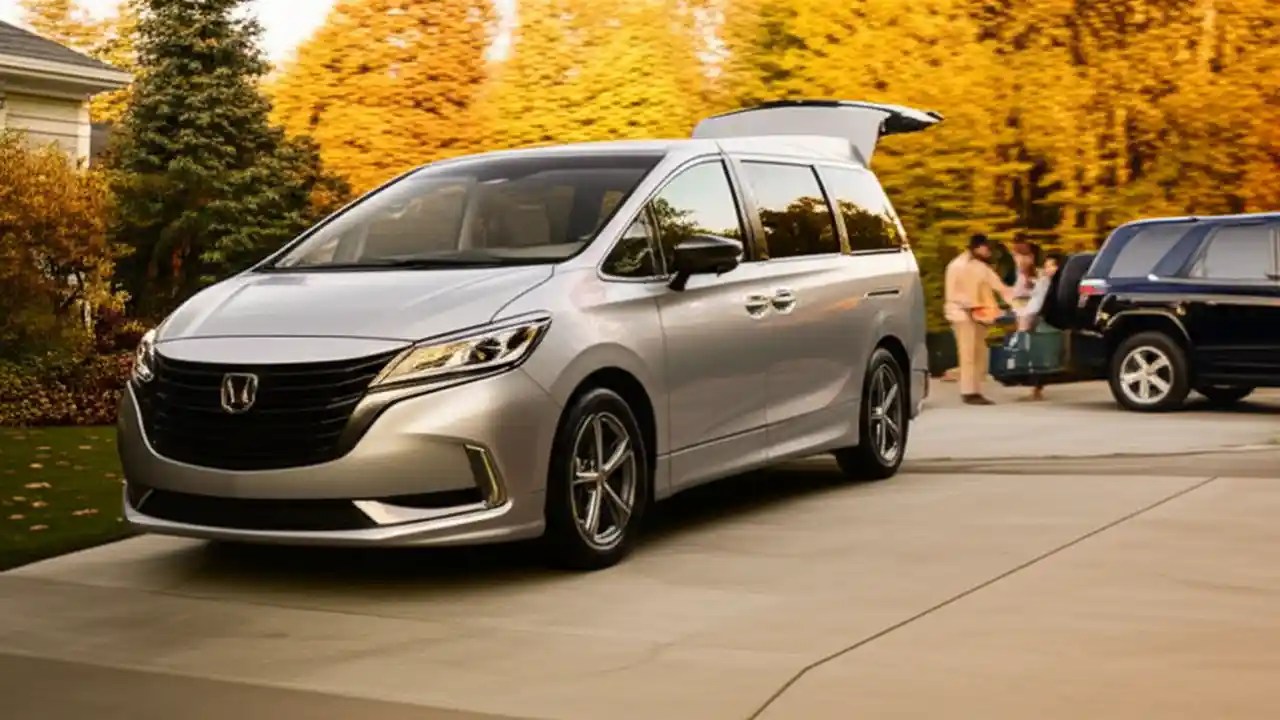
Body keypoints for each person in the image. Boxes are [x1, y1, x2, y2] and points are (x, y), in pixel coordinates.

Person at [944, 234, 1016, 405]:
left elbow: (1001, 288)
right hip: (962, 313)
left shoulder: (980, 266)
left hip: (979, 314)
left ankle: (975, 389)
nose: (989, 252)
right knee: (968, 353)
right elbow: (953, 293)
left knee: (978, 353)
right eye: (986, 248)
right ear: (978, 247)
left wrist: (1017, 305)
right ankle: (969, 391)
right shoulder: (957, 266)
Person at [1015, 251, 1064, 401]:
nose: (1048, 269)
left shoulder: (1062, 283)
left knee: (1046, 355)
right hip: (1042, 320)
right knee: (1040, 355)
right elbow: (1036, 301)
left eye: (1052, 266)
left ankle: (1038, 387)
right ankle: (1036, 388)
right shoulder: (1044, 282)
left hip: (1054, 322)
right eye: (1046, 266)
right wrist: (1027, 317)